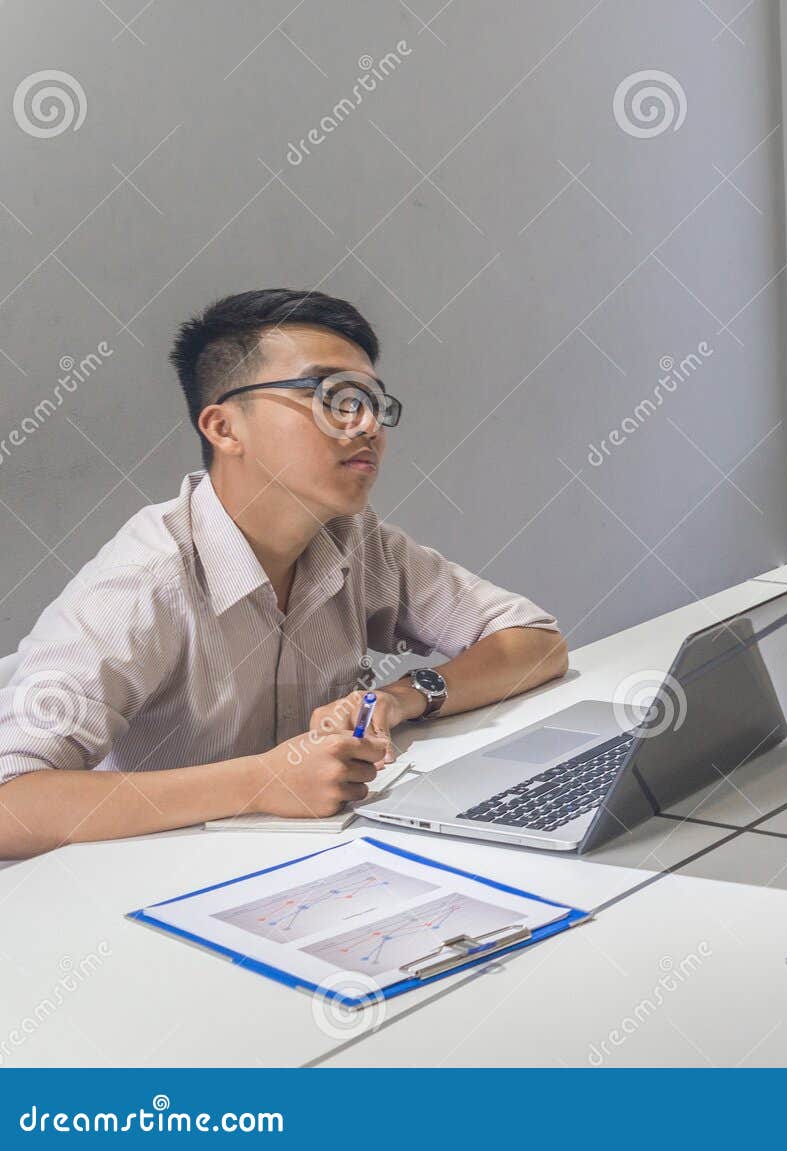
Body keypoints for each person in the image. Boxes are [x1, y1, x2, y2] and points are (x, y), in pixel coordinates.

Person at [0, 290, 568, 859]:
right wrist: (261, 783)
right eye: (332, 396)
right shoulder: (143, 582)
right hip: (146, 888)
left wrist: (400, 699)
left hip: (308, 863)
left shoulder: (353, 537)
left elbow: (536, 642)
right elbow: (9, 806)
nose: (367, 423)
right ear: (224, 428)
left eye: (373, 400)